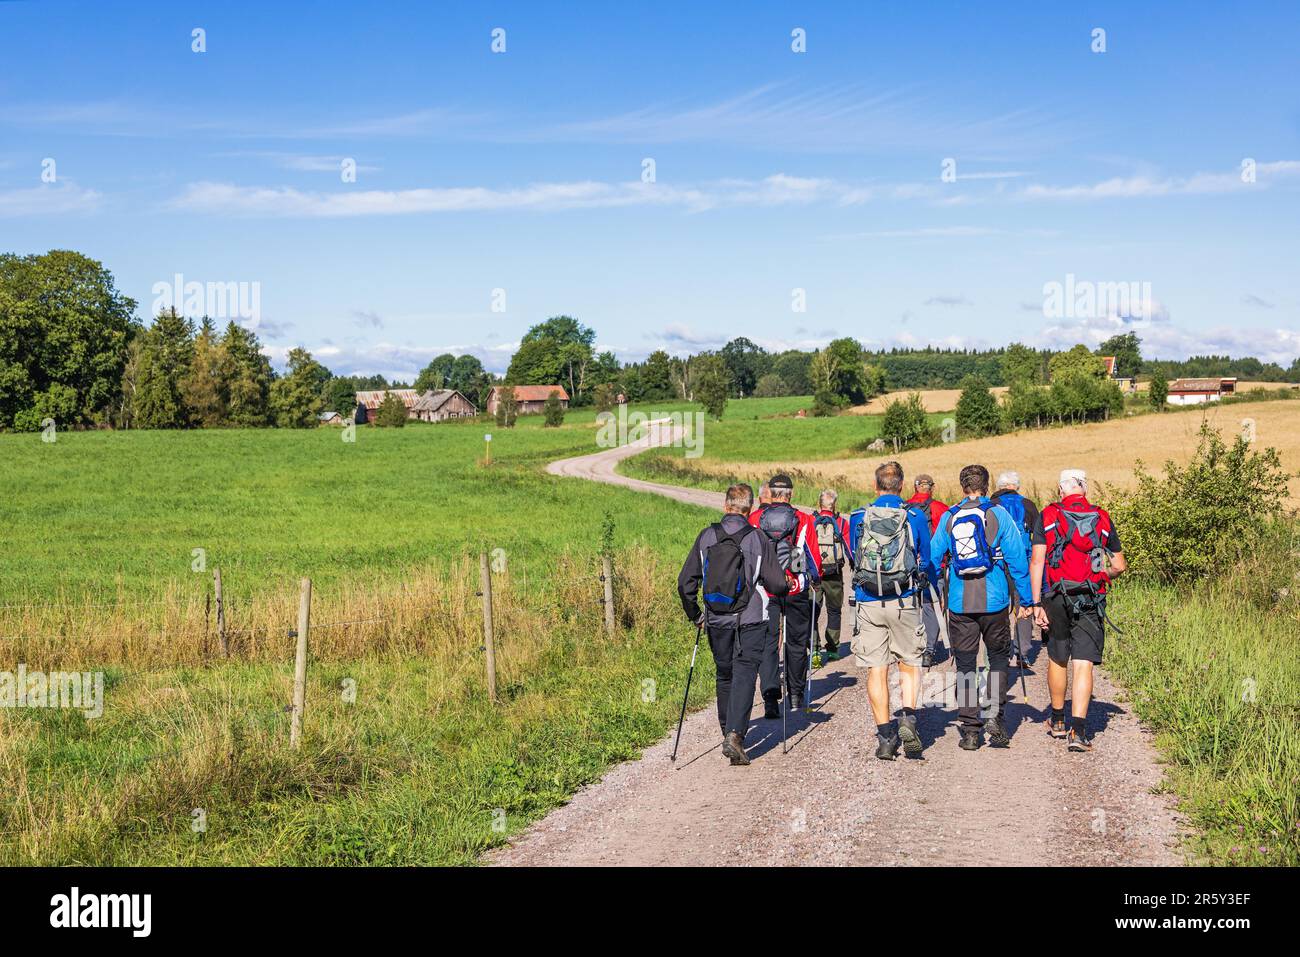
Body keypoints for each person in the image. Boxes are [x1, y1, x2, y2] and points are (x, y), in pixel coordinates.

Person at [677, 483, 794, 766]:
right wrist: (786, 585)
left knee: (724, 674)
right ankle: (734, 735)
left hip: (716, 619)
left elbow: (685, 583)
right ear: (750, 508)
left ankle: (725, 729)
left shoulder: (706, 536)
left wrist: (696, 615)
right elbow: (777, 584)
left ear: (725, 505)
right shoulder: (757, 538)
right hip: (750, 619)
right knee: (744, 674)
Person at [929, 464, 1036, 751]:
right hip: (996, 600)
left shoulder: (950, 517)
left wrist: (936, 587)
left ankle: (970, 731)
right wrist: (1026, 600)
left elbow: (933, 556)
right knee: (999, 659)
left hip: (960, 603)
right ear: (986, 486)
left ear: (962, 486)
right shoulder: (998, 514)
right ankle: (996, 717)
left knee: (965, 666)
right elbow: (1017, 561)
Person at [848, 462, 938, 759]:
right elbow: (924, 559)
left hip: (869, 600)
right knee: (910, 662)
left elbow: (854, 556)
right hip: (905, 599)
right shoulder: (914, 515)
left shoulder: (860, 516)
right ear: (902, 486)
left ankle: (886, 737)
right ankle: (909, 718)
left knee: (877, 669)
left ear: (876, 486)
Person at [1035, 469, 1127, 753]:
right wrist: (1099, 576)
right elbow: (1120, 565)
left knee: (1058, 657)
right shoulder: (1101, 516)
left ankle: (1058, 721)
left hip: (1056, 595)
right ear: (1084, 489)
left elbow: (1038, 560)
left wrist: (1036, 602)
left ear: (1061, 490)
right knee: (1083, 662)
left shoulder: (1048, 515)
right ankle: (1079, 731)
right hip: (1090, 596)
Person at [750, 473, 822, 716]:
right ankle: (796, 695)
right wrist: (815, 578)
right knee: (796, 642)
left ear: (770, 493)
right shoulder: (802, 519)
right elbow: (813, 558)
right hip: (795, 587)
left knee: (768, 643)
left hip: (765, 590)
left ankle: (770, 697)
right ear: (791, 494)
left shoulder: (756, 519)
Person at [990, 471, 1047, 662]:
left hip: (997, 563)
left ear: (999, 486)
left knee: (1000, 607)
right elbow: (1039, 536)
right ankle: (1022, 651)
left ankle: (1002, 650)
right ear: (1017, 486)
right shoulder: (1028, 504)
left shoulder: (992, 504)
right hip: (1023, 562)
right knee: (1023, 603)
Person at [905, 474, 949, 667]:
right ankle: (929, 650)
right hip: (933, 565)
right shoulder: (941, 508)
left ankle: (910, 647)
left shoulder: (904, 508)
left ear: (915, 487)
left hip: (907, 566)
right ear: (932, 487)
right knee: (931, 606)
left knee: (909, 606)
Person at [812, 489, 852, 664]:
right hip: (834, 573)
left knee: (812, 610)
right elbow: (850, 550)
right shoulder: (841, 523)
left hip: (815, 575)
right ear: (834, 505)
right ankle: (833, 649)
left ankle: (814, 650)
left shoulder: (811, 521)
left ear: (818, 504)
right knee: (834, 611)